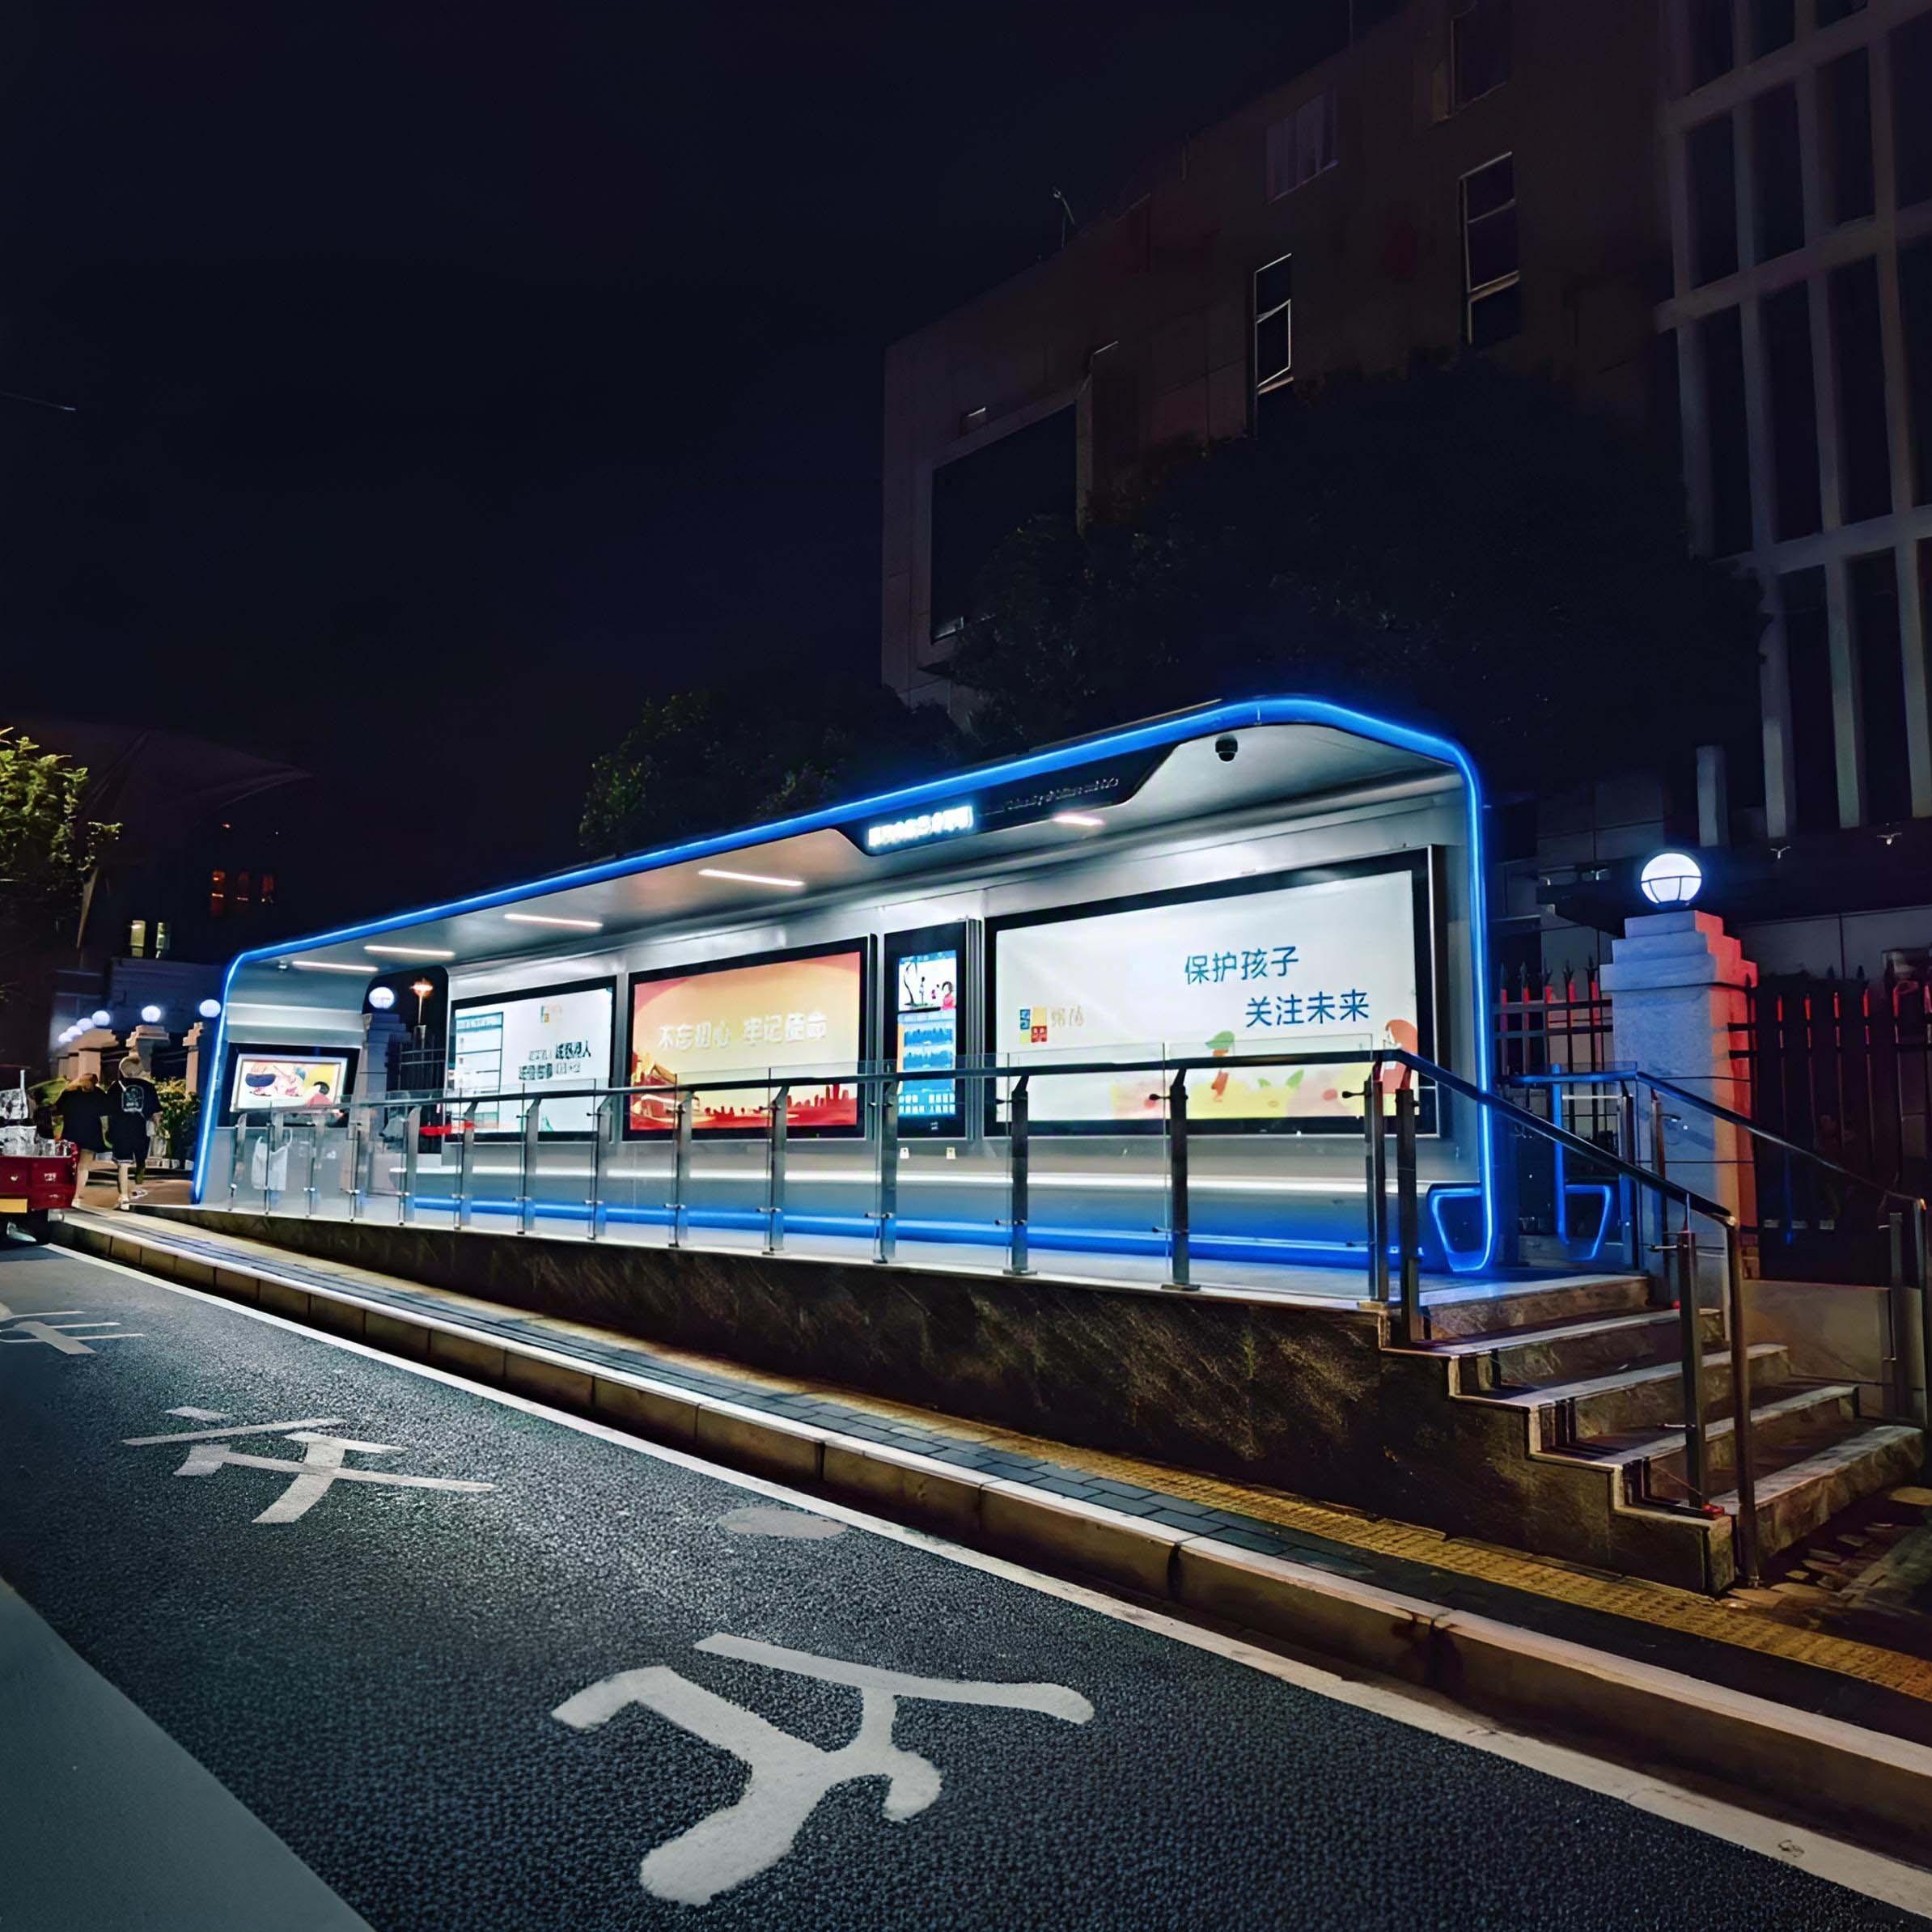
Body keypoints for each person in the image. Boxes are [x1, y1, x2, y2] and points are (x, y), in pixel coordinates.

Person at [104, 1056, 160, 1210]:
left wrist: (107, 1129)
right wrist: (157, 1127)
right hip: (141, 1129)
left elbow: (107, 1110)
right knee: (141, 1160)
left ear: (123, 1071)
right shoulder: (149, 1087)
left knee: (123, 1163)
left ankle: (124, 1196)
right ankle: (138, 1187)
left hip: (120, 1129)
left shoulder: (116, 1087)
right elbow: (156, 1113)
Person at [60, 1073, 112, 1176]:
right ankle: (79, 1180)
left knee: (72, 1161)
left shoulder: (69, 1092)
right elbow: (106, 1110)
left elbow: (59, 1109)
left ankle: (72, 1178)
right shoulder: (98, 1093)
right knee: (83, 1164)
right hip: (90, 1135)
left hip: (72, 1133)